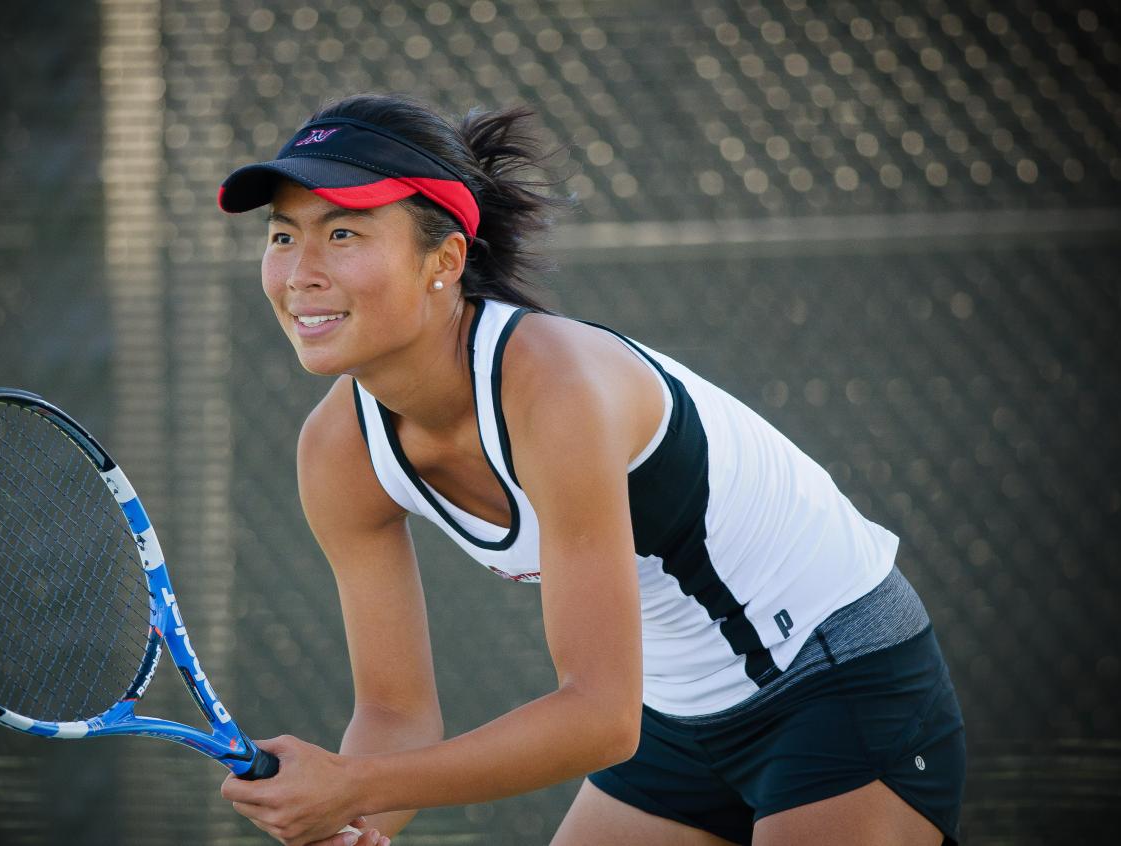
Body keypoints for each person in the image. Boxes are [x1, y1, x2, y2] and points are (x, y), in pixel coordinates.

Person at [215, 93, 965, 846]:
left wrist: (352, 785)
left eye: (342, 233)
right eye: (283, 236)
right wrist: (350, 821)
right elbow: (394, 714)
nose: (299, 272)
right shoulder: (338, 450)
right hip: (672, 720)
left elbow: (598, 719)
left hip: (836, 683)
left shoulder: (555, 385)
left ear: (442, 261)